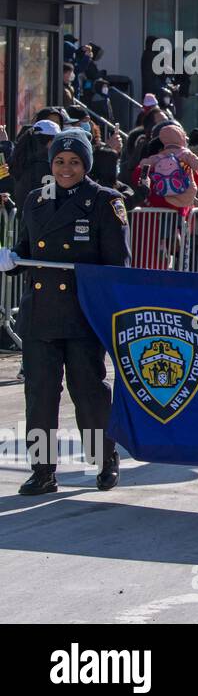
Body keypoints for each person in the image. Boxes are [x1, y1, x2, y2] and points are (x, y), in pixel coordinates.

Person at [0, 129, 131, 494]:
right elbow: (25, 250)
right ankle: (43, 471)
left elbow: (117, 263)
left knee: (88, 392)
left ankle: (104, 458)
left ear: (86, 164)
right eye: (60, 161)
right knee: (40, 396)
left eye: (74, 162)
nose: (66, 168)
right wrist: (11, 260)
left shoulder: (104, 202)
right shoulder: (35, 201)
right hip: (40, 315)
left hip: (81, 314)